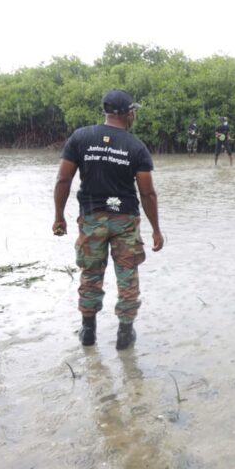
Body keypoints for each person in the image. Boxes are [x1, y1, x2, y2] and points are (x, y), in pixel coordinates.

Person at [53, 89, 164, 351]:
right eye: (133, 110)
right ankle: (125, 334)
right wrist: (156, 230)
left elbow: (63, 180)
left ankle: (88, 331)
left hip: (91, 218)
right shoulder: (136, 146)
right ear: (128, 113)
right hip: (125, 220)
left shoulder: (81, 138)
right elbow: (147, 192)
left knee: (91, 274)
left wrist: (59, 216)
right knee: (127, 276)